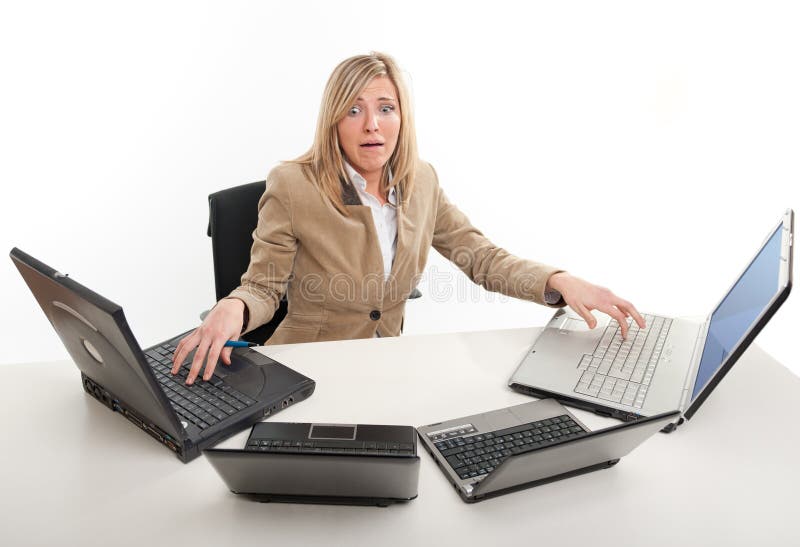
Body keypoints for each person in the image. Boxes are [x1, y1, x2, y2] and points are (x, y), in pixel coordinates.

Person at [172, 52, 645, 385]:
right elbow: (262, 286)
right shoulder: (294, 185)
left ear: (402, 118)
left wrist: (559, 280)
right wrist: (233, 307)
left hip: (388, 366)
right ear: (333, 121)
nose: (371, 124)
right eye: (353, 110)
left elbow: (482, 258)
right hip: (308, 366)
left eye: (385, 108)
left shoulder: (421, 182)